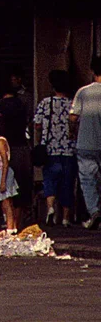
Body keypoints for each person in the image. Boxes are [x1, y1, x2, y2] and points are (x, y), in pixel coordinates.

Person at [34, 69, 77, 227]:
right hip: (69, 149)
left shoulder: (46, 103)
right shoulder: (73, 103)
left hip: (50, 149)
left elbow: (37, 124)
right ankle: (66, 217)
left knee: (50, 180)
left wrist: (41, 137)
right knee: (68, 182)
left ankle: (51, 208)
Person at [0, 75, 31, 224]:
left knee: (7, 191)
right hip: (22, 147)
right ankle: (17, 223)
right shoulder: (22, 103)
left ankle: (10, 224)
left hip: (6, 149)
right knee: (20, 187)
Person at [70, 55, 101, 230]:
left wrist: (72, 133)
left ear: (92, 71)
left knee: (88, 181)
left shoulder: (83, 92)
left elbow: (73, 117)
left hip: (86, 143)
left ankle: (94, 212)